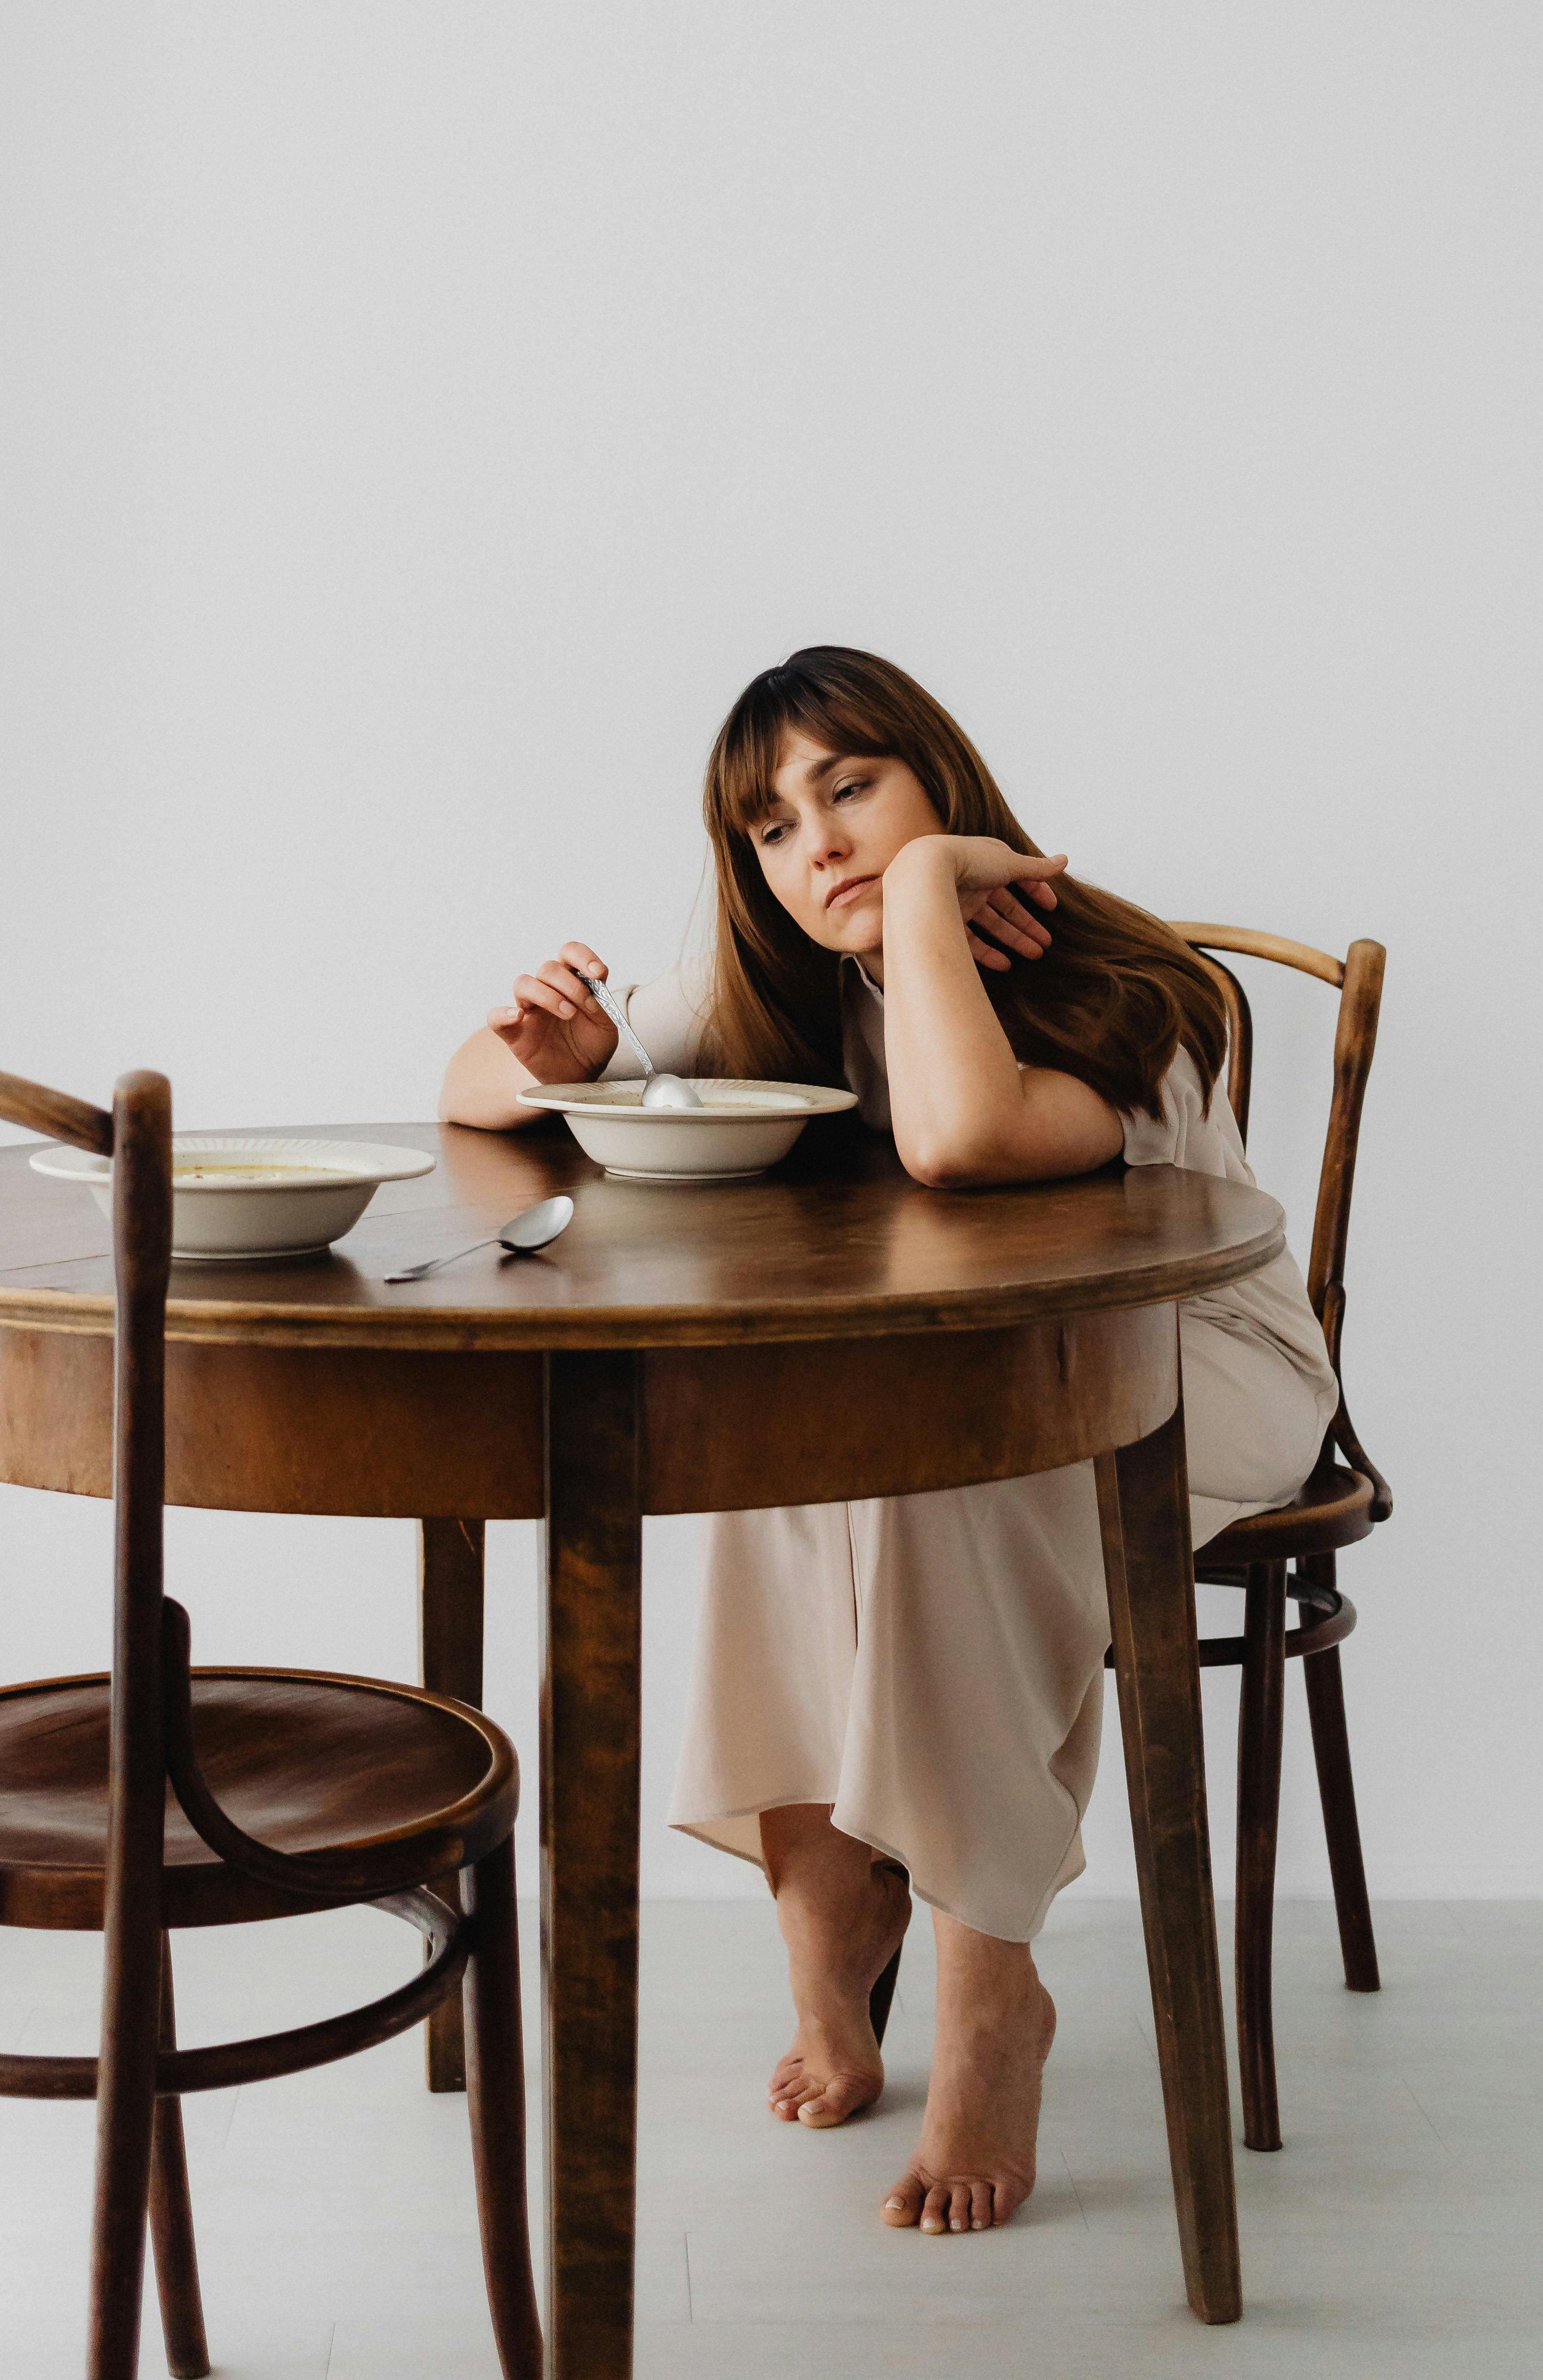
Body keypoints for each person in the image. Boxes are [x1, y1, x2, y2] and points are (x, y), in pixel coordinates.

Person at [440, 646, 1334, 2239]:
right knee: (771, 1447)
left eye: (853, 790)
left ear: (943, 777)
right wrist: (559, 1067)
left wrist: (925, 899)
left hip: (1196, 1369)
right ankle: (825, 1904)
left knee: (955, 1470)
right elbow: (459, 1091)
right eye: (775, 831)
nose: (821, 847)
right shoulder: (775, 990)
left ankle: (989, 1986)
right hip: (973, 1386)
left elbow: (962, 1138)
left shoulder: (1133, 989)